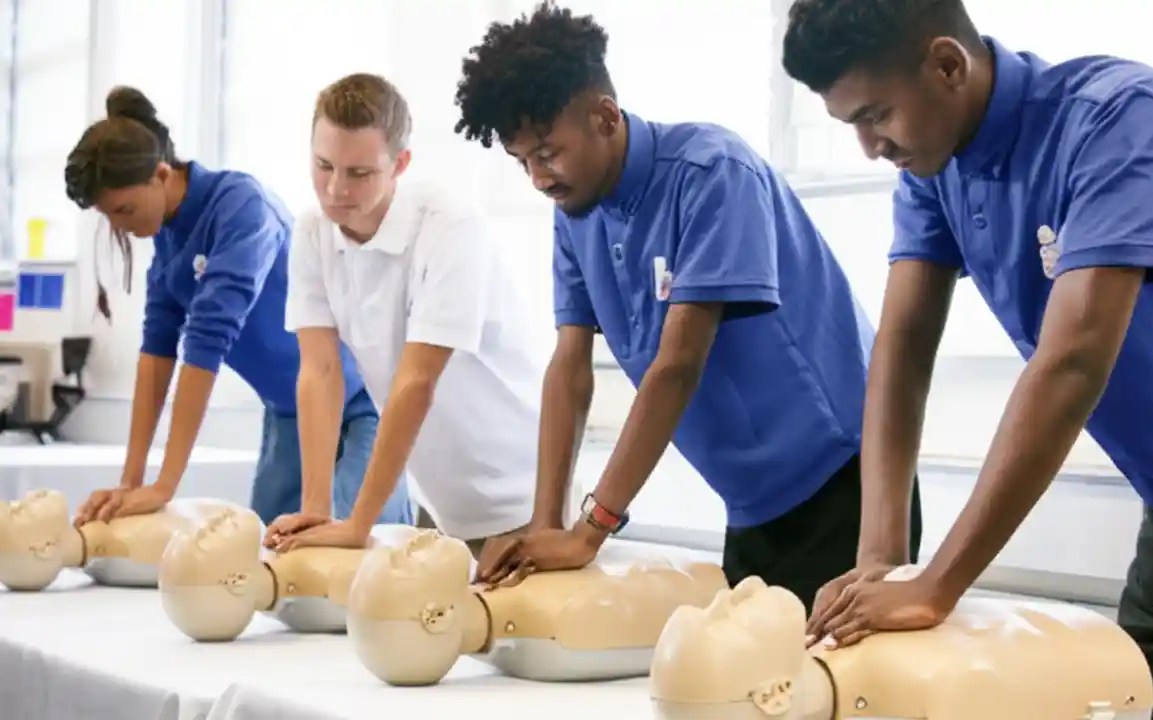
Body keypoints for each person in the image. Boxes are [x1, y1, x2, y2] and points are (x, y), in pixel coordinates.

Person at [782, 0, 1153, 716]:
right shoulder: (933, 168)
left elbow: (1071, 362)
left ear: (947, 64)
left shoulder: (1120, 118)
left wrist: (939, 583)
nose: (870, 146)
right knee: (1136, 698)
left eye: (876, 115)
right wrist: (882, 559)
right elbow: (900, 352)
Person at [453, 1, 920, 612]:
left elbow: (677, 365)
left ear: (603, 115)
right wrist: (547, 522)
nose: (538, 178)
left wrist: (590, 529)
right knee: (748, 690)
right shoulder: (577, 211)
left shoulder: (711, 172)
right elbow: (569, 368)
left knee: (824, 691)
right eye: (522, 163)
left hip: (845, 485)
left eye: (546, 153)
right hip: (750, 503)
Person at [64, 86, 411, 528]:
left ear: (162, 174)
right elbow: (156, 355)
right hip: (289, 415)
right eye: (109, 216)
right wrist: (131, 482)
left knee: (351, 551)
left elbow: (206, 341)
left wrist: (165, 485)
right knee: (269, 553)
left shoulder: (242, 207)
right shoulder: (168, 244)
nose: (120, 226)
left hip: (362, 404)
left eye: (124, 209)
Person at [262, 73, 540, 560]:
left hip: (529, 503)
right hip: (440, 508)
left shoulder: (450, 226)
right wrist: (317, 509)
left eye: (359, 173)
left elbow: (416, 383)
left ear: (400, 164)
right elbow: (320, 371)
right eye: (323, 165)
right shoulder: (312, 231)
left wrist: (358, 524)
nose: (334, 189)